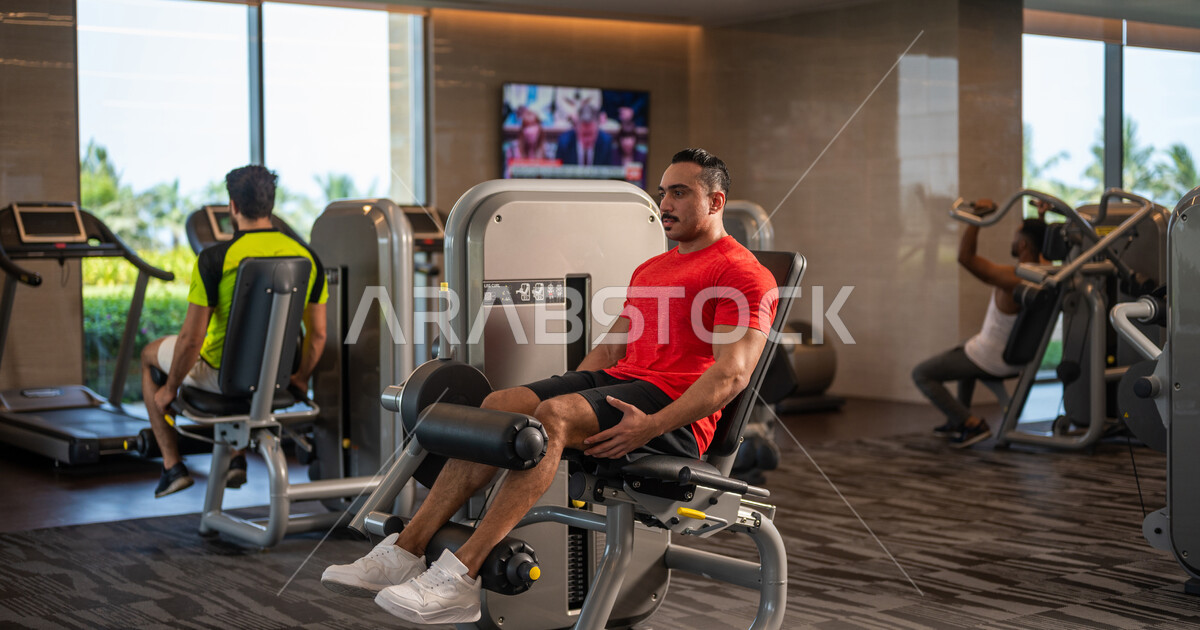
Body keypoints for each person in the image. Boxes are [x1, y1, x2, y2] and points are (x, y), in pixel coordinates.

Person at [321, 149, 778, 625]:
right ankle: (405, 551)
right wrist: (576, 394)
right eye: (663, 192)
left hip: (670, 413)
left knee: (553, 419)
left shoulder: (742, 274)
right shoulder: (653, 268)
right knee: (500, 404)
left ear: (715, 201)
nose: (665, 203)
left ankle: (461, 575)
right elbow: (610, 349)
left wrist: (649, 427)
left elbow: (732, 374)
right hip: (625, 383)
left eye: (680, 193)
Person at [140, 165, 328, 497]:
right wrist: (300, 380)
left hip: (221, 377)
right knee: (244, 359)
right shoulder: (308, 258)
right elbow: (318, 336)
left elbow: (191, 341)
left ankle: (172, 466)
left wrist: (169, 390)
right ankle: (236, 458)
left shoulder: (214, 259)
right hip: (276, 376)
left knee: (148, 355)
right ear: (270, 205)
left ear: (233, 206)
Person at [911, 199, 1049, 448]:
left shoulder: (1014, 278)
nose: (1012, 240)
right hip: (1014, 357)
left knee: (921, 374)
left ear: (1023, 244)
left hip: (992, 359)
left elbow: (965, 258)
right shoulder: (1049, 274)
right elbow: (1040, 243)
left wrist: (977, 217)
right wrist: (1040, 219)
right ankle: (957, 420)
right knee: (966, 346)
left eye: (1016, 236)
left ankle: (970, 424)